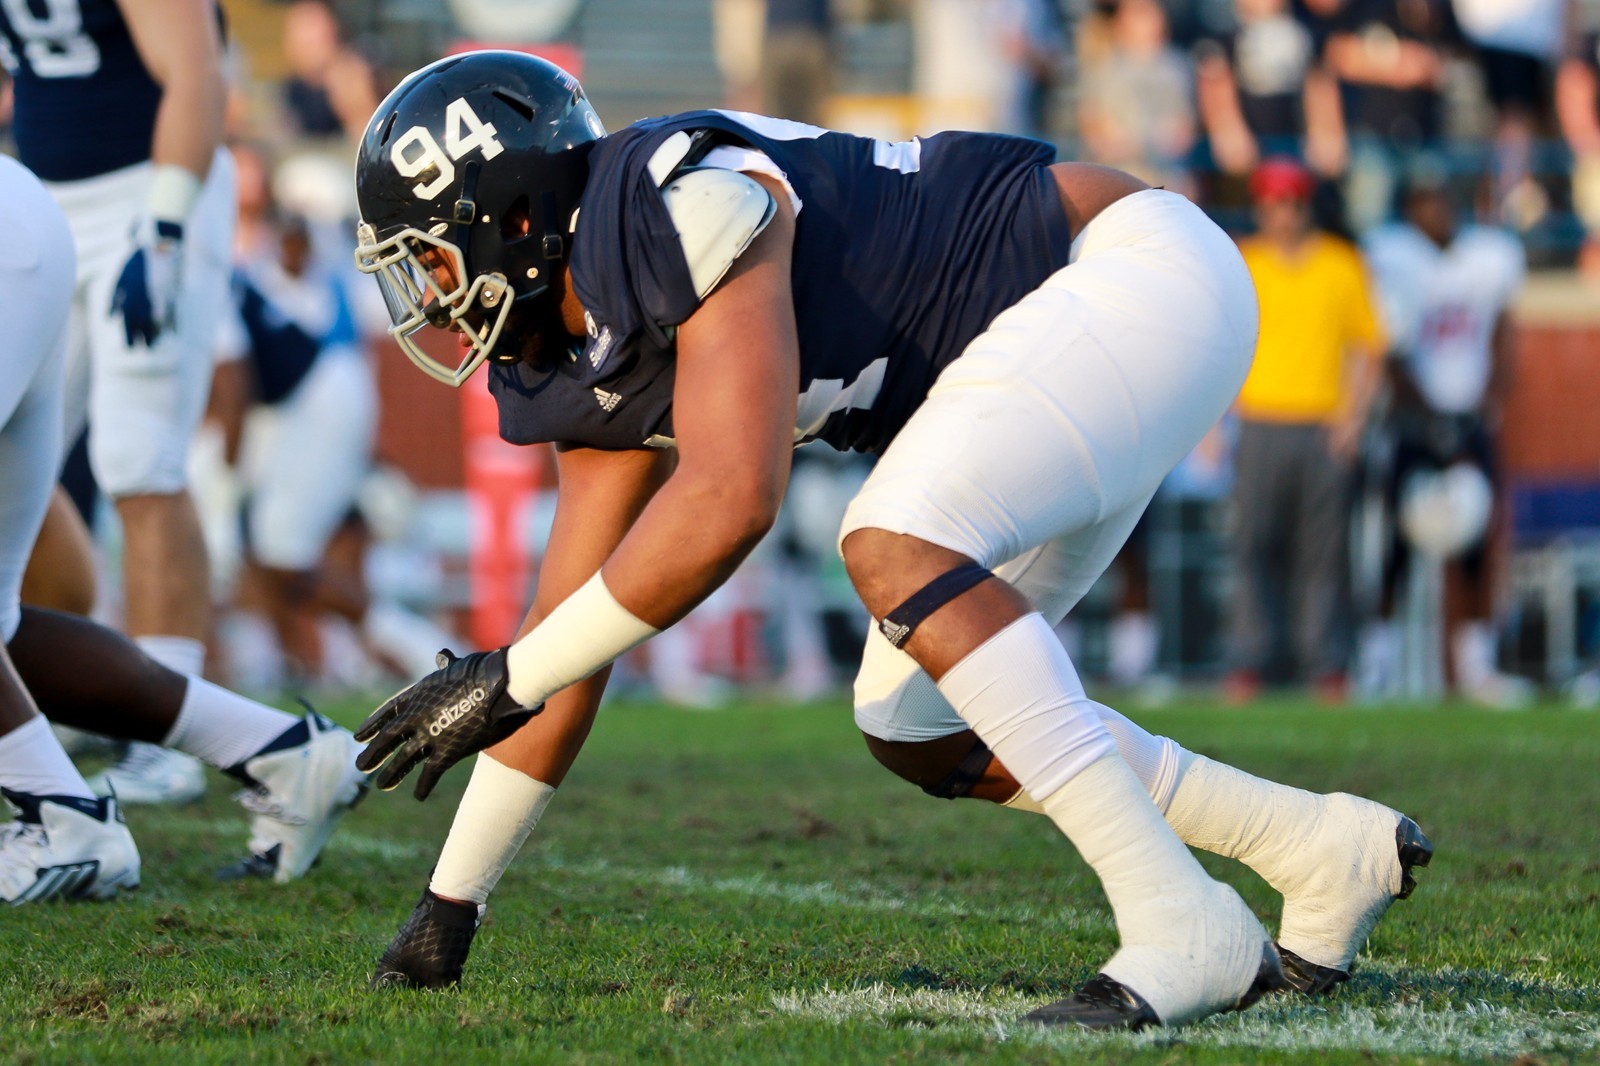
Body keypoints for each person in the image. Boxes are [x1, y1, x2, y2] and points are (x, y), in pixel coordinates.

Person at [348, 52, 1431, 1029]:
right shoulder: (567, 356)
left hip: (1129, 273)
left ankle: (1177, 919)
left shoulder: (664, 200)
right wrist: (449, 909)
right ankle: (1310, 845)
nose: (427, 300)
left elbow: (731, 500)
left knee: (890, 538)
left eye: (430, 261)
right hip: (1063, 341)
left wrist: (508, 675)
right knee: (911, 718)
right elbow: (563, 636)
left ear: (512, 216)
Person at [0, 155, 368, 901]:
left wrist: (164, 225)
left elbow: (194, 67)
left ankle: (61, 819)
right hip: (32, 217)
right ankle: (276, 748)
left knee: (147, 473)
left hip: (90, 221)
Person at [0, 0, 237, 805]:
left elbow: (197, 73)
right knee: (20, 460)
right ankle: (55, 690)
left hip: (153, 188)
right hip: (40, 202)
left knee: (140, 457)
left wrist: (165, 227)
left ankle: (172, 723)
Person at [1360, 170, 1529, 706]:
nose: (1434, 213)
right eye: (1423, 203)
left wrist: (1489, 401)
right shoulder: (1395, 257)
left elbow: (1502, 328)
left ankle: (1476, 665)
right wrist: (1430, 413)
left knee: (1477, 534)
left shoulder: (1488, 256)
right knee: (1397, 539)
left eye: (1440, 202)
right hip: (1413, 420)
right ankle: (1377, 662)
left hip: (1470, 417)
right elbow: (1391, 349)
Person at [1224, 157, 1386, 702]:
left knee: (1324, 553)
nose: (1284, 212)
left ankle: (1327, 666)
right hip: (1259, 418)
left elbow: (1368, 347)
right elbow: (1216, 343)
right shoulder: (1243, 263)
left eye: (1292, 201)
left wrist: (1354, 418)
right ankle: (1252, 660)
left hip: (1321, 424)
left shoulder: (1342, 264)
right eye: (1275, 201)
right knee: (1253, 546)